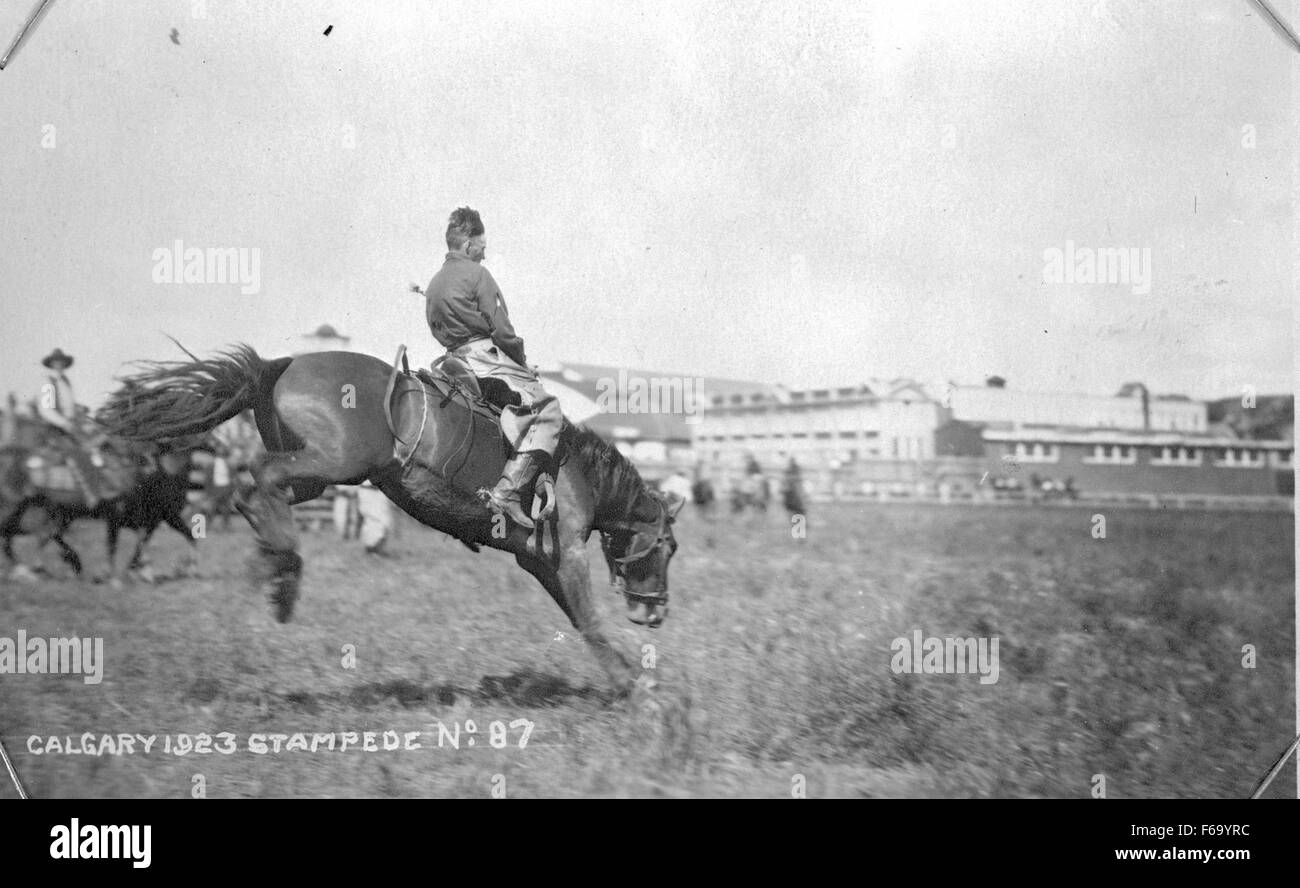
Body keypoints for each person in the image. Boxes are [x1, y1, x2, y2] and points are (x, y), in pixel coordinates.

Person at [423, 207, 563, 529]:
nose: (484, 254)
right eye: (482, 247)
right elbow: (502, 332)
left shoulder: (434, 283)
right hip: (484, 357)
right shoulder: (478, 275)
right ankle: (507, 493)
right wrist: (523, 364)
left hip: (451, 357)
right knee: (549, 409)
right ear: (469, 243)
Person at [34, 348, 108, 508]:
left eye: (62, 363)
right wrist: (64, 423)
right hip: (55, 428)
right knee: (78, 453)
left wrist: (78, 410)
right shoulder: (47, 382)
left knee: (97, 443)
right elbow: (45, 410)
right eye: (56, 363)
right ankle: (90, 495)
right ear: (52, 364)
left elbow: (68, 406)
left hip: (71, 426)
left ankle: (104, 485)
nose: (59, 365)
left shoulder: (65, 381)